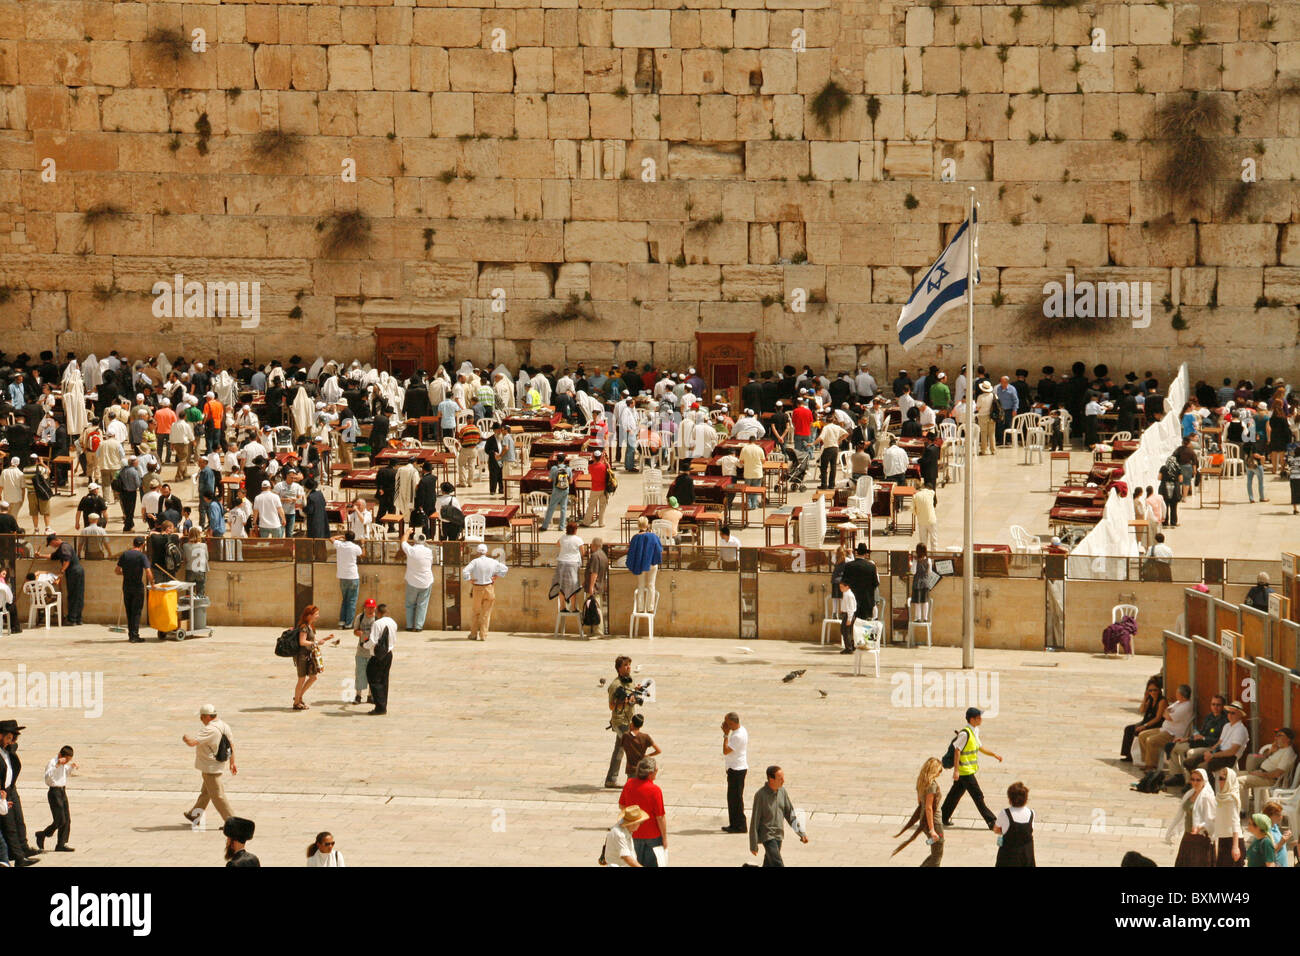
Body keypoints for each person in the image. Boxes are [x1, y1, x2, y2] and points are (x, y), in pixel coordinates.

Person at [940, 707, 1002, 828]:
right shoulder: (964, 733)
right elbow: (957, 751)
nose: (981, 719)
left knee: (954, 795)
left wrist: (994, 755)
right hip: (965, 771)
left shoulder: (975, 731)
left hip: (968, 770)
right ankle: (991, 821)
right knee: (978, 796)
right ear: (972, 719)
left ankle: (943, 816)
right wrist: (956, 771)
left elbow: (979, 747)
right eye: (979, 717)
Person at [182, 704, 236, 826]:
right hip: (218, 764)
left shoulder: (209, 729)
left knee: (218, 796)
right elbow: (231, 745)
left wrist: (185, 739)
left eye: (201, 717)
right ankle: (194, 815)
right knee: (206, 792)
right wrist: (232, 762)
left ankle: (232, 822)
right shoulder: (224, 725)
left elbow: (192, 743)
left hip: (209, 767)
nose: (201, 720)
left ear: (206, 717)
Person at [749, 765, 808, 867]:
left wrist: (801, 833)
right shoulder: (760, 795)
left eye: (783, 778)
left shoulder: (782, 792)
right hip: (767, 836)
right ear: (771, 779)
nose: (783, 781)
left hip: (779, 835)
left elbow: (790, 814)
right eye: (780, 779)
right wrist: (753, 844)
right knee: (777, 863)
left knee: (769, 863)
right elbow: (755, 820)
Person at [1162, 692, 1225, 785]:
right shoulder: (1209, 717)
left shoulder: (1225, 720)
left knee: (1190, 753)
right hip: (1198, 743)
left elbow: (1220, 741)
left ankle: (1190, 783)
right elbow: (1201, 732)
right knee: (1172, 746)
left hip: (1211, 747)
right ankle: (1177, 776)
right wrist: (1186, 739)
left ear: (1223, 706)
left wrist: (1203, 738)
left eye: (1218, 705)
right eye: (1213, 704)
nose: (1215, 707)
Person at [891, 757, 944, 866]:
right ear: (933, 770)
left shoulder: (921, 782)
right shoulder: (932, 785)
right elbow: (929, 808)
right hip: (934, 823)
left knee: (936, 852)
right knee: (937, 855)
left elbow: (920, 802)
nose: (940, 773)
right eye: (939, 771)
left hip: (923, 820)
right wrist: (932, 830)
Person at [1184, 700, 1250, 783]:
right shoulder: (1227, 726)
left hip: (1229, 758)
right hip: (1219, 753)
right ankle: (1194, 785)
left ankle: (1211, 791)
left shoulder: (1240, 729)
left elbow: (1232, 751)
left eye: (1233, 713)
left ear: (1240, 715)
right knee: (1189, 763)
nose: (1230, 715)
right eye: (1229, 712)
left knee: (1204, 767)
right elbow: (1219, 742)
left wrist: (1213, 755)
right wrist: (1210, 751)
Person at [618, 756, 668, 867]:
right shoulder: (655, 790)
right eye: (656, 770)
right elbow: (660, 817)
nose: (657, 772)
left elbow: (622, 805)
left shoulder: (629, 784)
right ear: (650, 773)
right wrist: (664, 838)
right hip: (653, 836)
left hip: (633, 833)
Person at [0, 720, 37, 866]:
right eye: (9, 737)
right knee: (9, 827)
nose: (11, 741)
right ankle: (18, 858)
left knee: (17, 822)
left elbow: (14, 745)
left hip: (10, 790)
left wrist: (12, 737)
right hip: (3, 793)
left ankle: (21, 854)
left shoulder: (7, 748)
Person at [1167, 768, 1216, 866]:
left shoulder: (1207, 797)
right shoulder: (1189, 794)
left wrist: (1200, 827)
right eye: (1193, 779)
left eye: (1198, 780)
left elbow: (1212, 819)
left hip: (1200, 838)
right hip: (1188, 836)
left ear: (1204, 781)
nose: (1195, 782)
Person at [1238, 727, 1297, 806]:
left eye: (1280, 735)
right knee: (1232, 775)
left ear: (1288, 739)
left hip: (1270, 779)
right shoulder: (1279, 749)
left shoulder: (1288, 753)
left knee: (1238, 781)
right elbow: (1264, 759)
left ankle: (1241, 809)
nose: (1276, 738)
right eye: (1276, 735)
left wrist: (1260, 774)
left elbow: (1277, 774)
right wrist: (1271, 751)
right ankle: (1243, 806)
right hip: (1261, 773)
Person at [290, 605, 332, 711]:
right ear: (309, 615)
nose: (318, 616)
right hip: (302, 656)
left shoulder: (310, 626)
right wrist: (317, 642)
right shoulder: (304, 627)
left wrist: (325, 639)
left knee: (313, 677)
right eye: (316, 614)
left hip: (309, 656)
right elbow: (302, 642)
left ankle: (298, 697)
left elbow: (312, 640)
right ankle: (296, 703)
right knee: (301, 679)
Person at [605, 655, 638, 788]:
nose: (628, 667)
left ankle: (611, 780)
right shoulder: (615, 685)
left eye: (629, 664)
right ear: (619, 668)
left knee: (619, 750)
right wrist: (623, 702)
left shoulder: (630, 682)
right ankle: (632, 781)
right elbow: (611, 706)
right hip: (619, 722)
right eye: (625, 665)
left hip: (629, 720)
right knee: (631, 746)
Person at [35, 745, 75, 853]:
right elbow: (48, 777)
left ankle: (61, 844)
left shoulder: (63, 764)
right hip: (54, 792)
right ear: (60, 755)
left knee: (67, 819)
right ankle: (42, 834)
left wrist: (71, 767)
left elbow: (65, 773)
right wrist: (57, 765)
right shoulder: (52, 763)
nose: (66, 762)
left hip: (62, 791)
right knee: (60, 819)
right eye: (66, 759)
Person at [115, 536, 153, 643]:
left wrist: (126, 573)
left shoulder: (125, 554)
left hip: (126, 586)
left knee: (129, 611)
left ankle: (131, 634)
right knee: (136, 611)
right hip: (137, 587)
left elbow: (117, 571)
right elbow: (148, 572)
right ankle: (134, 635)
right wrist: (153, 583)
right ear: (142, 545)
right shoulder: (142, 556)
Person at [1121, 678, 1166, 763]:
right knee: (1128, 729)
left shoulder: (1162, 701)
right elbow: (1142, 710)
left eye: (1155, 690)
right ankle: (1128, 755)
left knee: (1137, 731)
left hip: (1156, 724)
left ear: (1159, 690)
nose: (1152, 692)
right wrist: (1145, 698)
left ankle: (1139, 756)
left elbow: (1158, 718)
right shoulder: (1150, 699)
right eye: (1150, 690)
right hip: (1146, 722)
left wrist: (1144, 726)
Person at [363, 603, 396, 715]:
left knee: (373, 678)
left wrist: (364, 645)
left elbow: (373, 641)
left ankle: (379, 707)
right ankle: (382, 705)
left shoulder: (377, 623)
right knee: (384, 679)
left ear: (379, 612)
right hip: (389, 654)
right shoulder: (393, 622)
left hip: (378, 655)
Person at [993, 781, 1036, 867]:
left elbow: (996, 829)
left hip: (1008, 854)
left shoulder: (1005, 813)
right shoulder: (1031, 813)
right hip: (1026, 854)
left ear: (1010, 799)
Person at [46, 531, 84, 626]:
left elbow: (67, 560)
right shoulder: (61, 548)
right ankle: (77, 619)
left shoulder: (64, 547)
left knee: (74, 595)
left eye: (51, 544)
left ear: (55, 540)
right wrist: (40, 556)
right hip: (75, 572)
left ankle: (72, 619)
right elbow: (52, 556)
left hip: (74, 572)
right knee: (77, 595)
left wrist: (61, 571)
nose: (51, 546)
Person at [401, 529, 434, 632]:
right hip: (426, 581)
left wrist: (407, 532)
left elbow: (403, 542)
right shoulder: (429, 551)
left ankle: (409, 626)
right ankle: (419, 626)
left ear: (414, 540)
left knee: (410, 604)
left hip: (412, 581)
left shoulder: (411, 550)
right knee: (422, 605)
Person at [721, 712, 748, 833]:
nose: (725, 724)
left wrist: (725, 735)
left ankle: (740, 825)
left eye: (727, 722)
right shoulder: (740, 731)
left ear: (732, 723)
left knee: (736, 799)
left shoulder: (737, 736)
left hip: (737, 770)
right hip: (735, 768)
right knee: (732, 799)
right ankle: (734, 824)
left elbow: (726, 751)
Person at [550, 521, 585, 613]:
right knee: (573, 586)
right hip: (572, 564)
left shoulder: (563, 537)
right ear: (575, 530)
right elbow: (583, 552)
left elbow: (557, 544)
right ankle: (573, 607)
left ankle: (562, 607)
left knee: (561, 585)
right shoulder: (578, 539)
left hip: (561, 563)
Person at [1212, 766, 1243, 867]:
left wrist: (1235, 846)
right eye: (1219, 778)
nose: (1219, 782)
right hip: (1223, 840)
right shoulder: (1220, 796)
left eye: (1222, 779)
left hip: (1233, 841)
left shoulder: (1232, 798)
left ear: (1229, 780)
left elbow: (1235, 822)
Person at [331, 531, 363, 627]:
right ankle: (349, 623)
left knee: (345, 600)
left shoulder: (340, 545)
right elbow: (362, 554)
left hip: (342, 576)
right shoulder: (355, 547)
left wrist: (341, 536)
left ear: (345, 537)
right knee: (352, 601)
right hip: (353, 576)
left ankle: (342, 621)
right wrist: (363, 544)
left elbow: (331, 538)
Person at [839, 543, 879, 621]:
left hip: (852, 602)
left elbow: (844, 583)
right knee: (864, 629)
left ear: (857, 553)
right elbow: (875, 584)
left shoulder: (849, 566)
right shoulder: (871, 566)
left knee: (851, 627)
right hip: (866, 603)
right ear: (865, 553)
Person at [626, 516, 662, 597]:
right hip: (652, 563)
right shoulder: (653, 536)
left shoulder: (635, 538)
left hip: (640, 564)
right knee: (651, 585)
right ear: (647, 525)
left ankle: (641, 608)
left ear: (638, 525)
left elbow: (631, 552)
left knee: (640, 586)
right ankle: (651, 608)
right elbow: (659, 549)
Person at [351, 597, 377, 705]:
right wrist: (359, 633)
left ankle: (370, 696)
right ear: (365, 608)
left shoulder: (377, 619)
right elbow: (355, 631)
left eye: (372, 608)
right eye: (368, 608)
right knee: (360, 673)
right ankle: (358, 695)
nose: (370, 610)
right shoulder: (360, 617)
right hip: (361, 650)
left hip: (373, 652)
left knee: (373, 675)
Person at [541, 457, 572, 532]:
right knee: (563, 508)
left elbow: (549, 480)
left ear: (557, 460)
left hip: (557, 490)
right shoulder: (568, 469)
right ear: (564, 460)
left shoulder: (554, 468)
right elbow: (570, 481)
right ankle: (561, 526)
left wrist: (545, 478)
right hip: (565, 490)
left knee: (551, 508)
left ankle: (545, 526)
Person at [582, 448, 609, 527]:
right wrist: (605, 460)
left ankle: (586, 522)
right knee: (602, 506)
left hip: (595, 489)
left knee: (591, 506)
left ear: (594, 457)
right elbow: (609, 469)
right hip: (604, 488)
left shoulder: (590, 467)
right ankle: (601, 522)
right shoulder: (604, 466)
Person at [910, 543, 934, 624]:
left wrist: (913, 563)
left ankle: (918, 618)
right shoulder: (929, 560)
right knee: (925, 601)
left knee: (917, 601)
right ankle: (925, 617)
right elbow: (930, 572)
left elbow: (913, 572)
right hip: (925, 582)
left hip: (917, 582)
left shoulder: (915, 560)